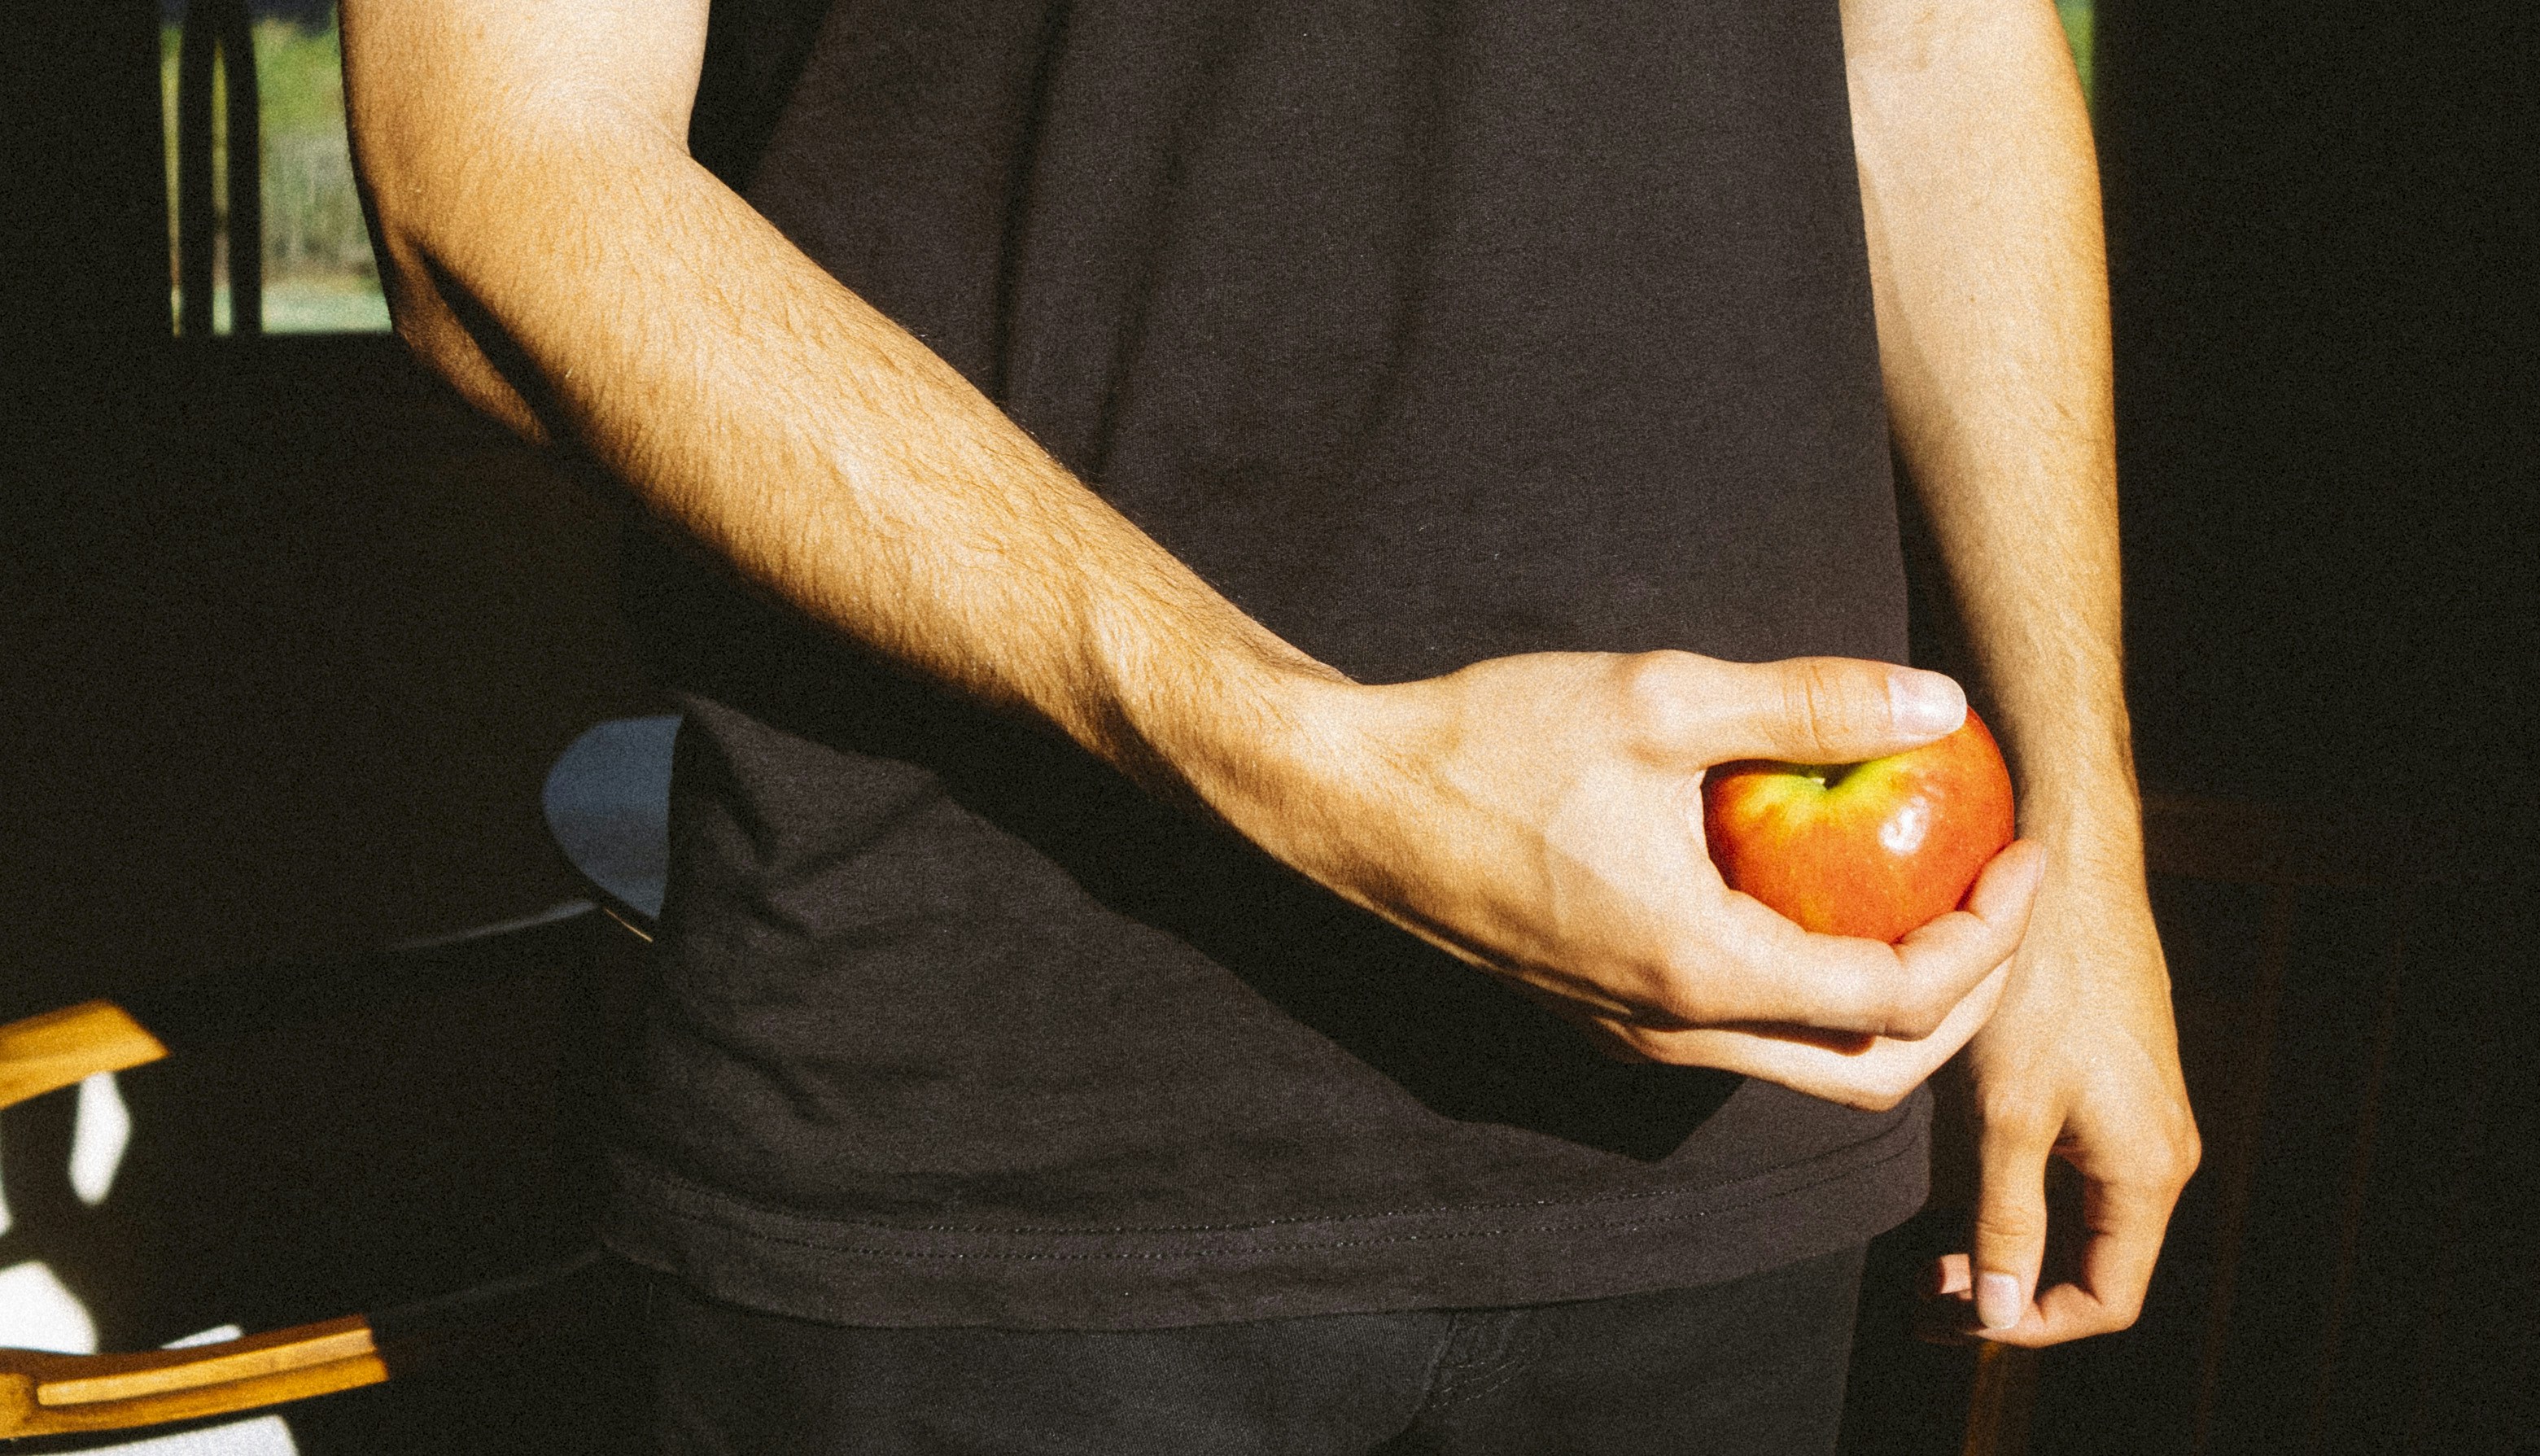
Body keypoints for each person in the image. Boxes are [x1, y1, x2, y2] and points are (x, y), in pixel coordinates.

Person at [343, 0, 2200, 1449]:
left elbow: (1931, 45)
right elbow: (495, 166)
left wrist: (2088, 855)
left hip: (1734, 1106)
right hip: (992, 1145)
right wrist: (1316, 759)